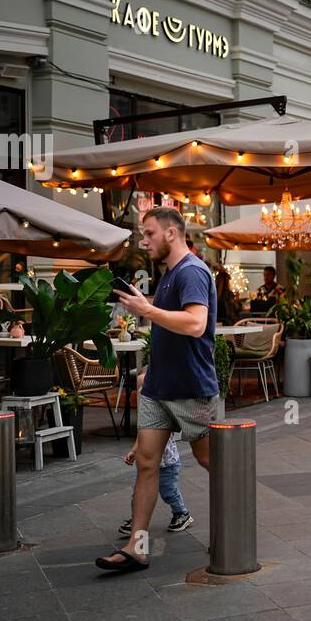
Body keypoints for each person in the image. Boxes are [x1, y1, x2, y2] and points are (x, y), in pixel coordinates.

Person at [97, 207, 218, 572]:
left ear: (171, 233)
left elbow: (196, 324)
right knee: (147, 464)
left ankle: (234, 530)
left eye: (148, 233)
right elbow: (169, 329)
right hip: (158, 387)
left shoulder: (192, 272)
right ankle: (137, 546)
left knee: (214, 462)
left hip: (190, 388)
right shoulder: (167, 276)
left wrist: (147, 310)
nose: (143, 241)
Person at [119, 371, 193, 535]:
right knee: (139, 492)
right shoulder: (147, 411)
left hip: (167, 463)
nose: (141, 394)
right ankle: (137, 519)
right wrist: (134, 450)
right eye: (139, 390)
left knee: (169, 492)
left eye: (144, 389)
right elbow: (142, 434)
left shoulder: (164, 407)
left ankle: (182, 513)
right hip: (148, 461)